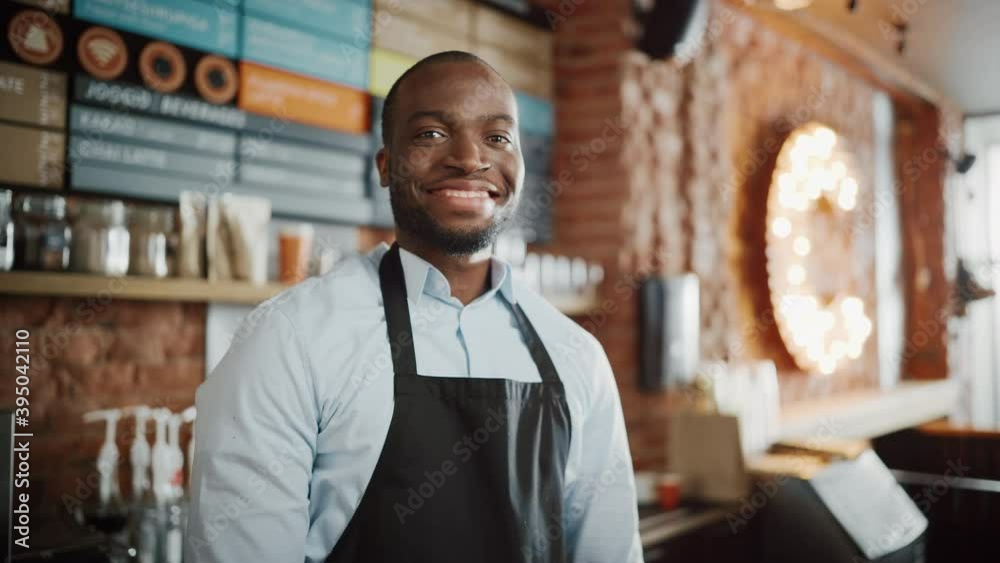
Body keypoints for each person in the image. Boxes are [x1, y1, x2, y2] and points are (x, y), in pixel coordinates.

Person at [185, 51, 642, 563]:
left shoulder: (578, 356)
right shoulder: (288, 339)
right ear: (385, 165)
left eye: (497, 137)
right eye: (431, 134)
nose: (470, 158)